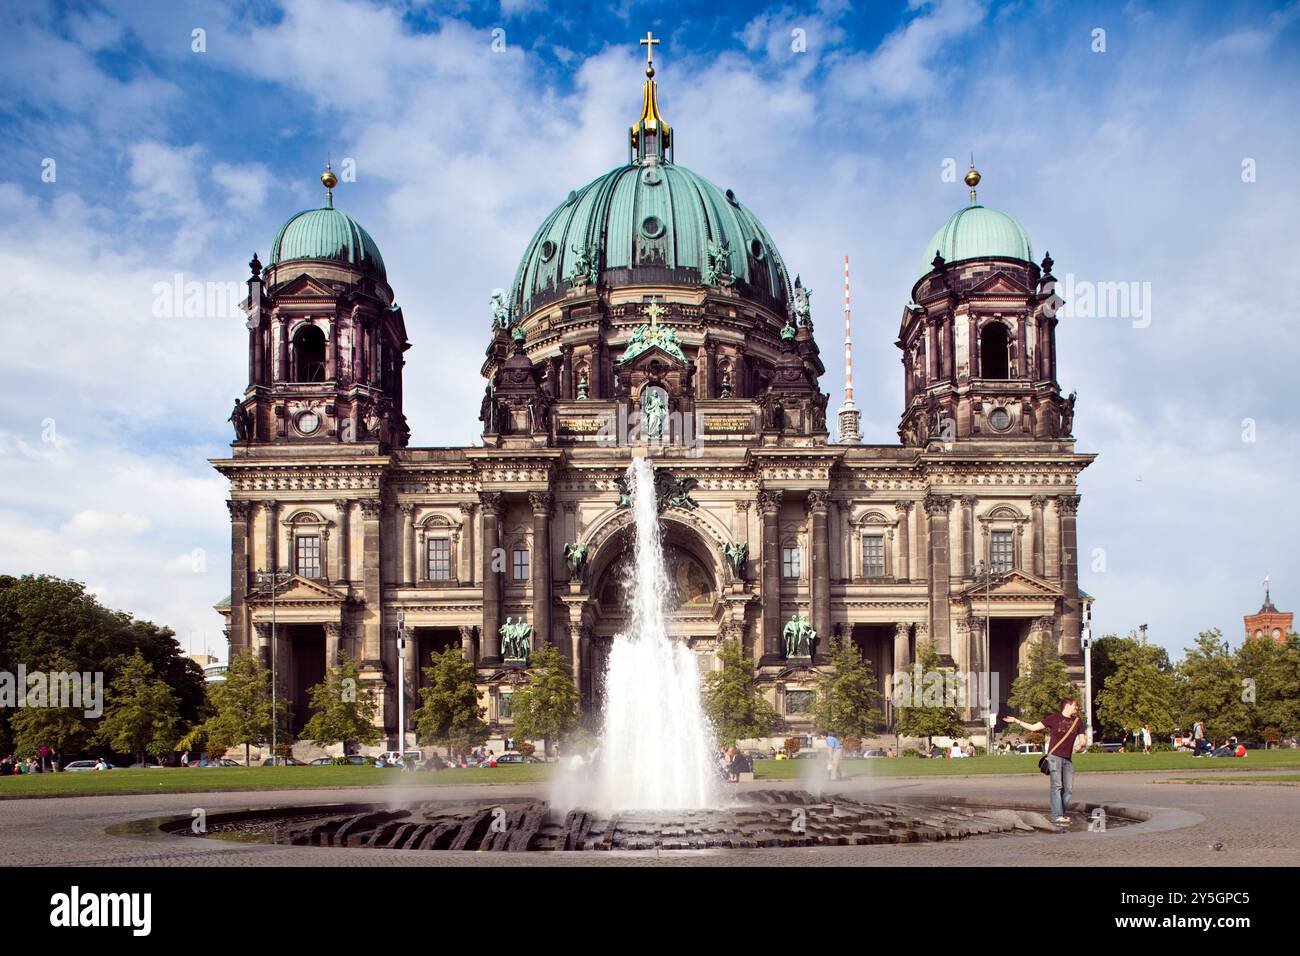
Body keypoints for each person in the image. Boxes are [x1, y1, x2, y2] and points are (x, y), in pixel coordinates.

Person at [1004, 695, 1086, 825]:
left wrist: (1080, 744)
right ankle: (1057, 816)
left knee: (1068, 789)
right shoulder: (1053, 718)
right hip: (1054, 757)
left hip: (1068, 759)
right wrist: (1016, 720)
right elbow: (1033, 727)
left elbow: (1082, 738)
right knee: (1057, 786)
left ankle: (1061, 814)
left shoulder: (1078, 722)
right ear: (1067, 705)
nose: (1077, 707)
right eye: (1075, 705)